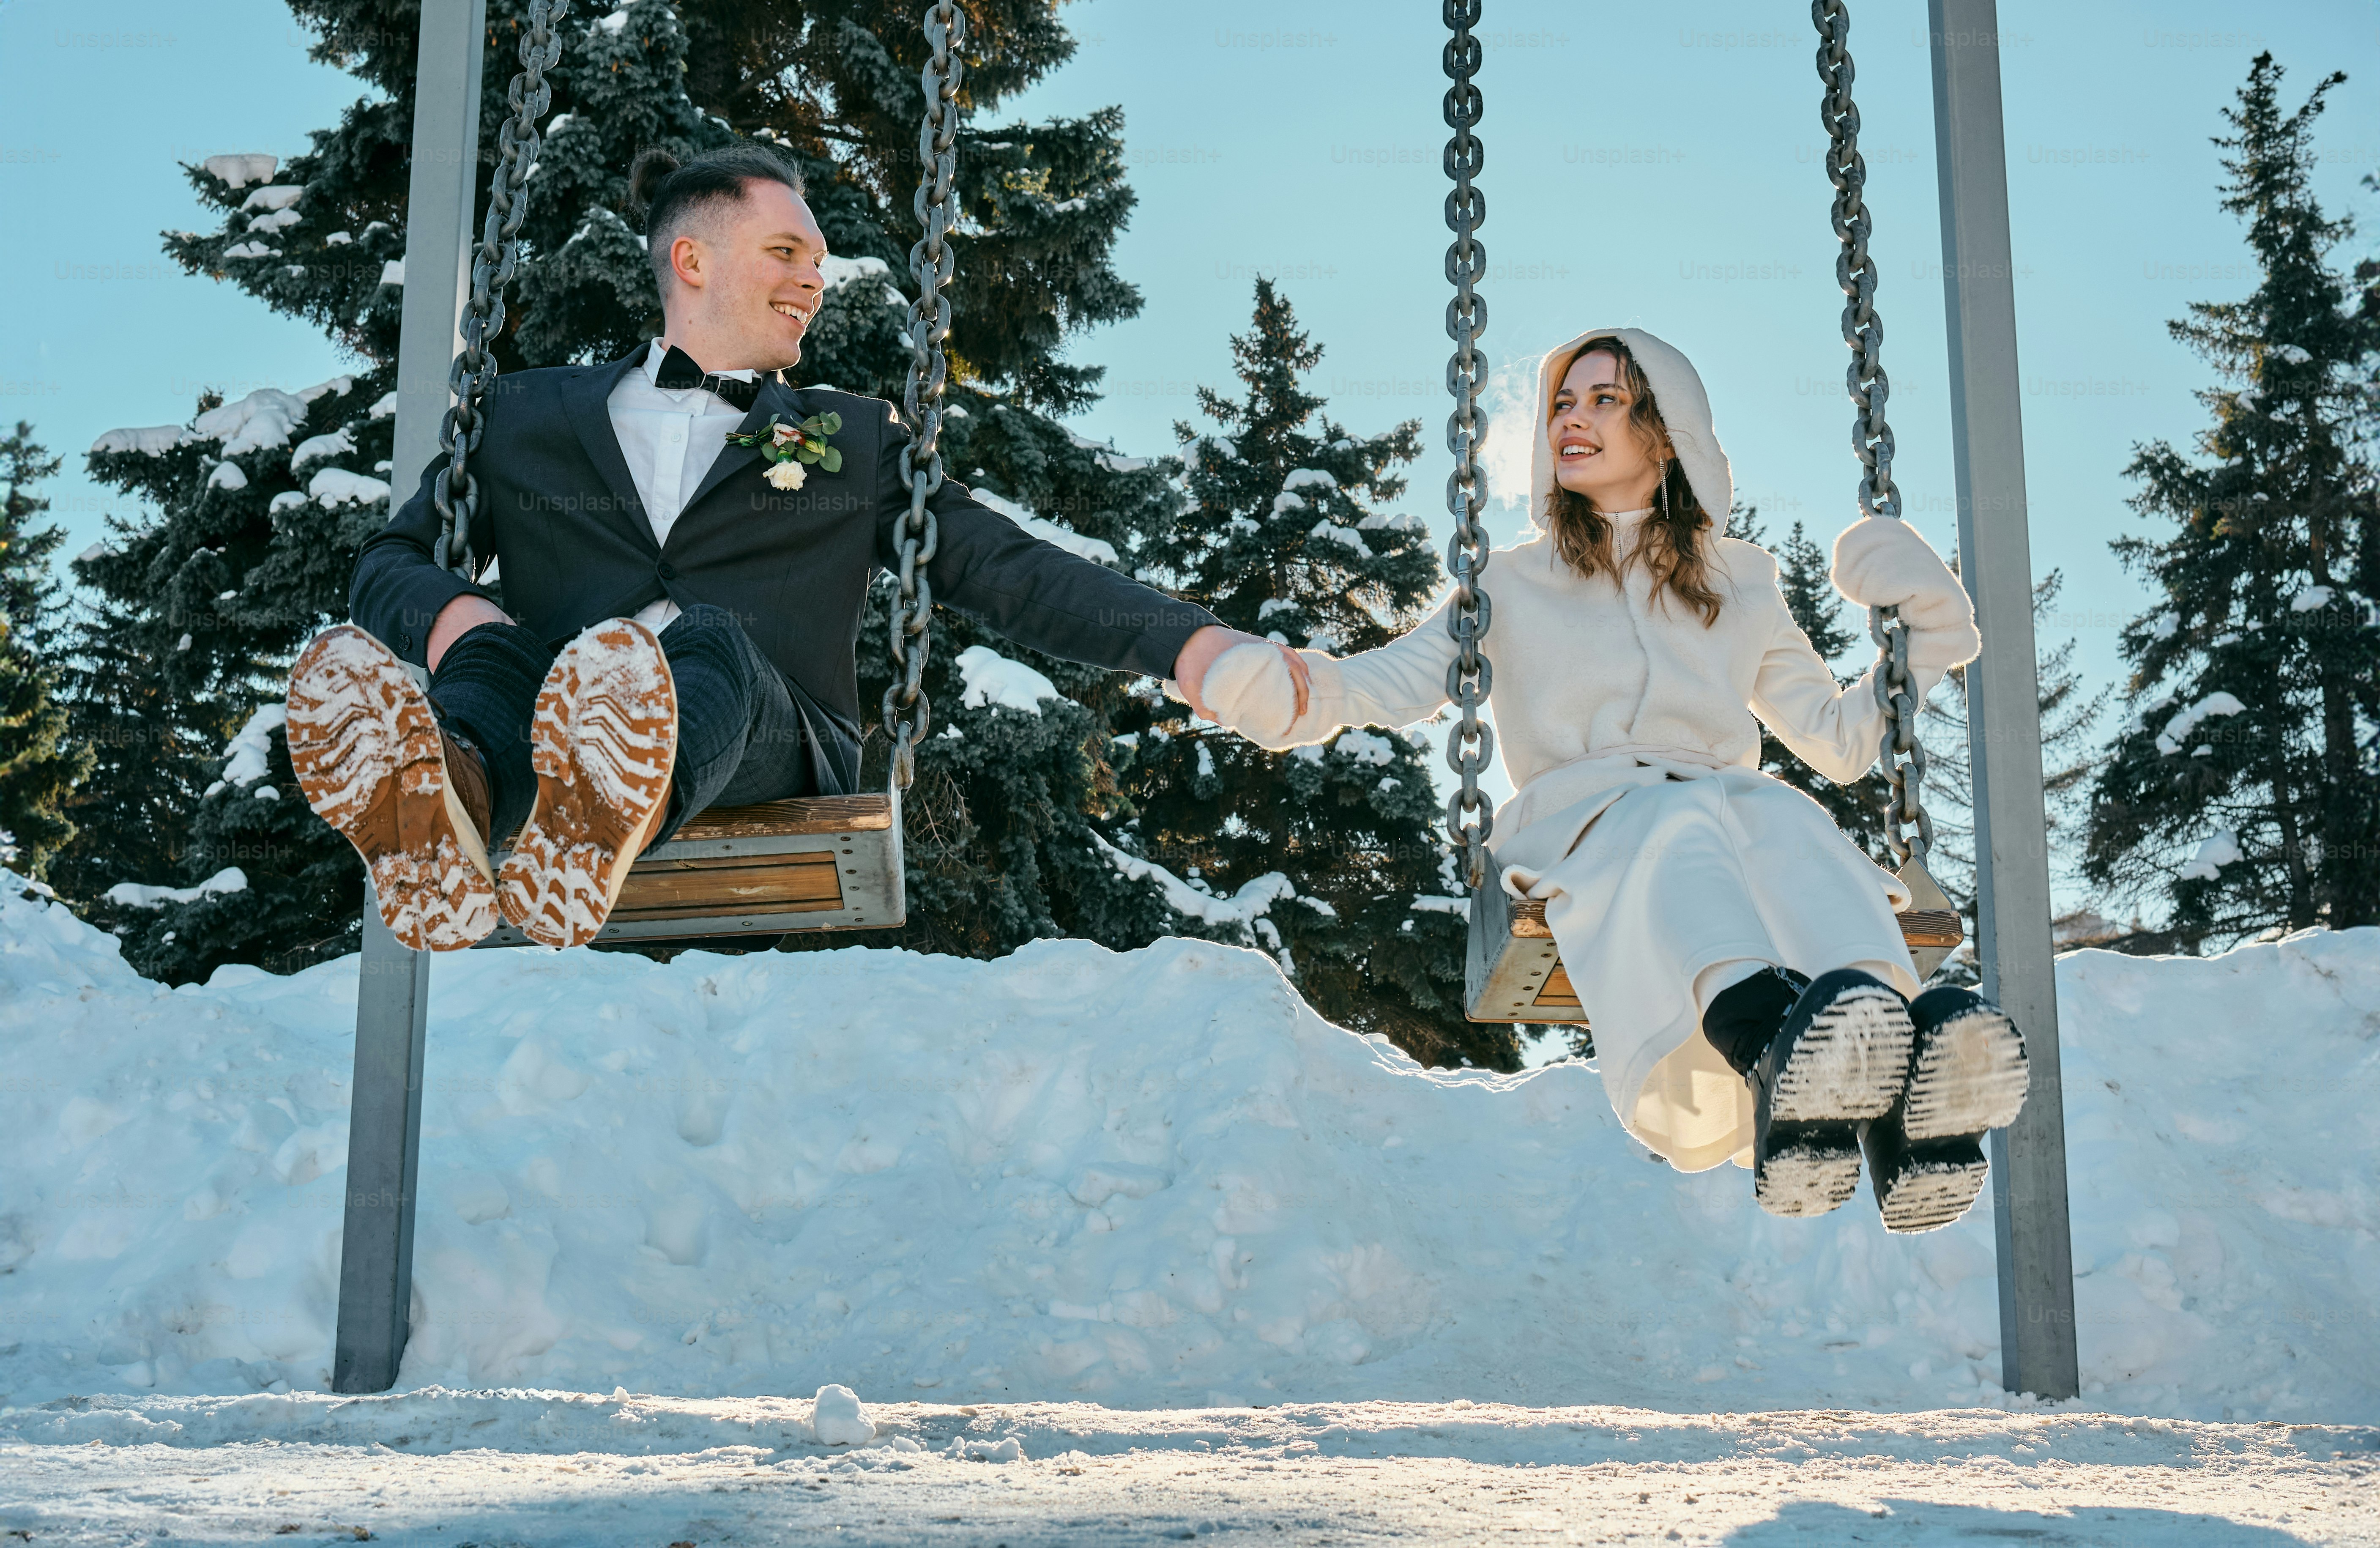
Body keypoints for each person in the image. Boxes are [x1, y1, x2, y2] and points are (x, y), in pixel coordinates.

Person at [287, 142, 1267, 953]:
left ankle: (599, 818)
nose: (814, 280)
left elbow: (999, 565)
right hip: (547, 726)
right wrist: (459, 617)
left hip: (764, 737)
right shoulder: (523, 415)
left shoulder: (852, 438)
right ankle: (451, 808)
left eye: (819, 263)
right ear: (693, 260)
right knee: (495, 663)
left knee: (707, 641)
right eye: (788, 251)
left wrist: (1190, 645)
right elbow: (389, 562)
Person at [1189, 327, 2031, 1233]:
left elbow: (1838, 742)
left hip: (1728, 806)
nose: (1571, 419)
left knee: (1793, 829)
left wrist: (1926, 637)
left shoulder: (1741, 582)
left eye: (1604, 400)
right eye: (1561, 402)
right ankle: (1767, 1048)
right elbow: (1392, 681)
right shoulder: (1508, 583)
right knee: (1677, 829)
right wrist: (1292, 691)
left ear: (1666, 434)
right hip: (1584, 819)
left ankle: (1905, 1115)